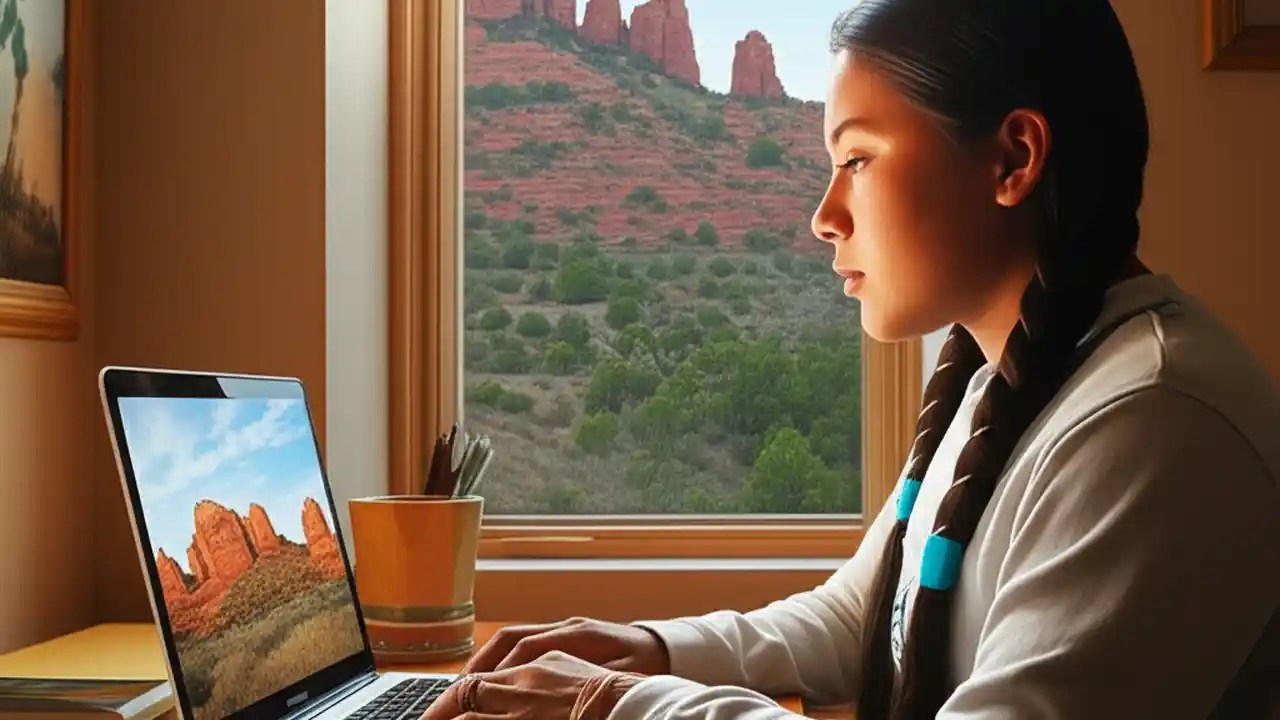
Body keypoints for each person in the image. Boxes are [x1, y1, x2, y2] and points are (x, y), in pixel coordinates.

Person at [421, 0, 1280, 717]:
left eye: (857, 159)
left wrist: (615, 703)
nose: (824, 215)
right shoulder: (1011, 384)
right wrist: (647, 648)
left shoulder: (1157, 424)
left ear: (1013, 158)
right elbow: (862, 618)